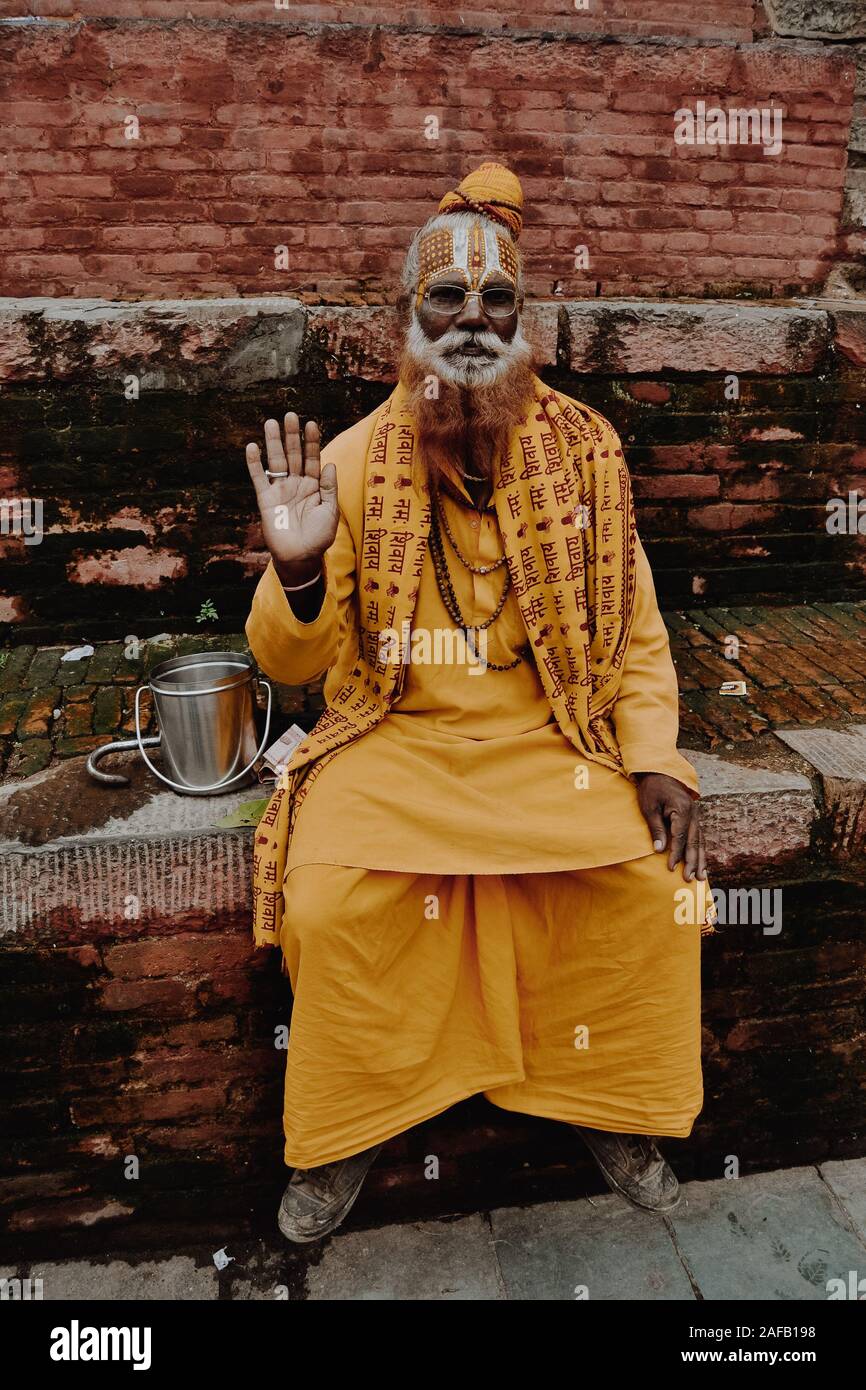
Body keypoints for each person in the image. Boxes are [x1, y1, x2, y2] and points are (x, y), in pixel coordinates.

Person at [244, 162, 714, 1245]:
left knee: (654, 897)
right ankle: (346, 1129)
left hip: (553, 741)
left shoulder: (587, 452)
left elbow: (637, 634)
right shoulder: (356, 459)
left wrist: (653, 756)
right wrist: (302, 572)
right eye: (444, 300)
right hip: (394, 744)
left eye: (493, 299)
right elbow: (290, 664)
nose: (470, 319)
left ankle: (610, 1109)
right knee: (326, 912)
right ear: (406, 317)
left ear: (522, 316)